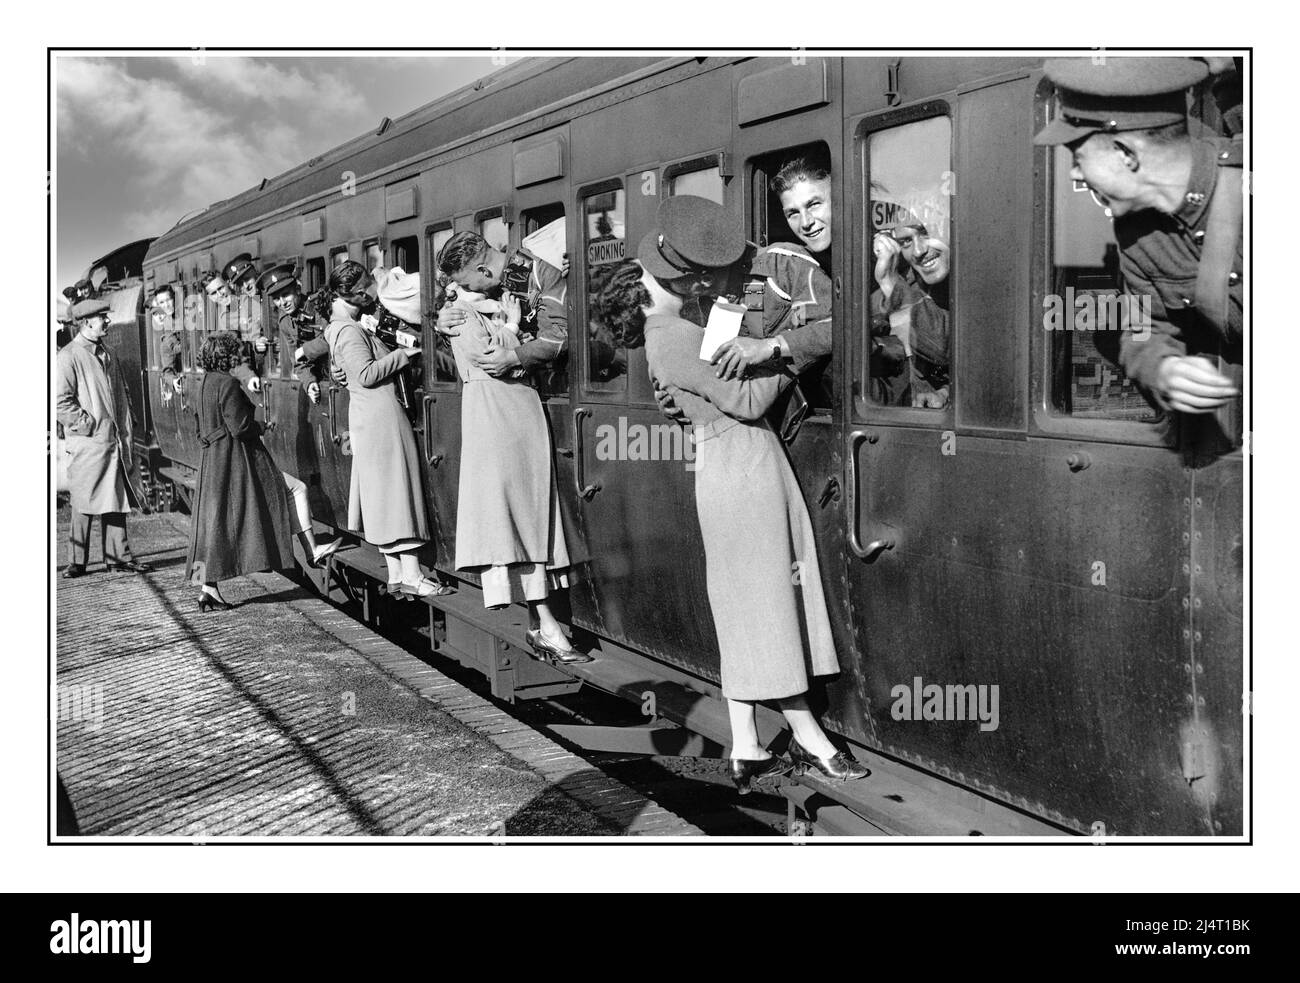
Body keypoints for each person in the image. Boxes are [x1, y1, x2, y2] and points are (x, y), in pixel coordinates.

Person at [593, 255, 869, 792]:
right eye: (654, 276)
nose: (670, 277)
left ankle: (746, 743)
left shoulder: (665, 336)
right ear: (643, 292)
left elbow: (684, 404)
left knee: (744, 601)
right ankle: (809, 736)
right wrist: (783, 350)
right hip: (745, 466)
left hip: (727, 464)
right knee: (765, 601)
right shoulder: (673, 333)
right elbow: (746, 399)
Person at [1034, 57, 1241, 415]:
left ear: (1126, 154)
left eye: (1079, 159)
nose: (1075, 176)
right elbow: (1143, 330)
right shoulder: (1137, 235)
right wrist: (1165, 369)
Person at [437, 234, 585, 664]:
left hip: (520, 413)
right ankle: (545, 622)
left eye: (472, 282)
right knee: (516, 512)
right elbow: (483, 350)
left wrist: (513, 351)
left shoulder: (534, 274)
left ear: (484, 269)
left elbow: (560, 335)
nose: (474, 290)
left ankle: (545, 622)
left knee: (530, 513)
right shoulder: (478, 299)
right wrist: (503, 335)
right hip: (504, 416)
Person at [324, 260, 445, 598]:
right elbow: (365, 374)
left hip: (370, 416)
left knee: (384, 496)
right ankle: (411, 574)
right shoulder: (348, 331)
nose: (371, 292)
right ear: (354, 293)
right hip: (380, 415)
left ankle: (397, 575)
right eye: (366, 286)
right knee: (397, 492)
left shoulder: (340, 327)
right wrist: (405, 354)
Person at [183, 331, 293, 611]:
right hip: (230, 458)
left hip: (210, 459)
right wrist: (263, 427)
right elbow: (239, 427)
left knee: (209, 523)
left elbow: (198, 425)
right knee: (241, 514)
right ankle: (295, 551)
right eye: (234, 353)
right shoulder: (228, 383)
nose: (237, 357)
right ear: (226, 355)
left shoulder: (204, 382)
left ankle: (204, 588)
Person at [57, 298, 152, 577]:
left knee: (115, 498)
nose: (107, 321)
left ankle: (118, 558)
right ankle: (76, 562)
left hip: (114, 440)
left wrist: (126, 428)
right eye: (102, 318)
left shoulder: (109, 352)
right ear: (87, 322)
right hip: (89, 441)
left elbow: (121, 393)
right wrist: (88, 425)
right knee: (83, 501)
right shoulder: (69, 356)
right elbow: (60, 402)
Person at [433, 232, 568, 384]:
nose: (468, 291)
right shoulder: (494, 288)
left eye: (466, 285)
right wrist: (445, 327)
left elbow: (563, 335)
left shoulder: (542, 272)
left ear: (484, 271)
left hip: (564, 384)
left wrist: (514, 357)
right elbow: (479, 348)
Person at [870, 219, 952, 407]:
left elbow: (942, 347)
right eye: (906, 241)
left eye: (927, 232)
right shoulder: (907, 284)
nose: (918, 251)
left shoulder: (984, 275)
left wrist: (890, 281)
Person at [257, 262, 331, 404]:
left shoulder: (318, 307)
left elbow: (333, 338)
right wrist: (309, 382)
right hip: (322, 383)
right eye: (277, 299)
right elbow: (297, 362)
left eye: (285, 295)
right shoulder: (285, 322)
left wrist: (305, 350)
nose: (282, 303)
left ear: (297, 289)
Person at [202, 271, 261, 394]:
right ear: (210, 298)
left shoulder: (250, 299)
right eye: (214, 293)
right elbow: (232, 354)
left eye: (221, 288)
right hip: (253, 374)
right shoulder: (223, 319)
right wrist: (248, 376)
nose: (220, 294)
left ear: (228, 284)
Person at [223, 252, 269, 373]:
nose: (245, 286)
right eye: (240, 284)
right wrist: (255, 344)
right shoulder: (240, 306)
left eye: (247, 279)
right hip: (253, 369)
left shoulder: (273, 297)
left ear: (255, 273)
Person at [151, 285, 184, 401]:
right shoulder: (168, 331)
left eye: (168, 300)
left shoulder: (187, 316)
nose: (166, 305)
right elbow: (167, 367)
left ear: (174, 299)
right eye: (162, 302)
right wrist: (173, 380)